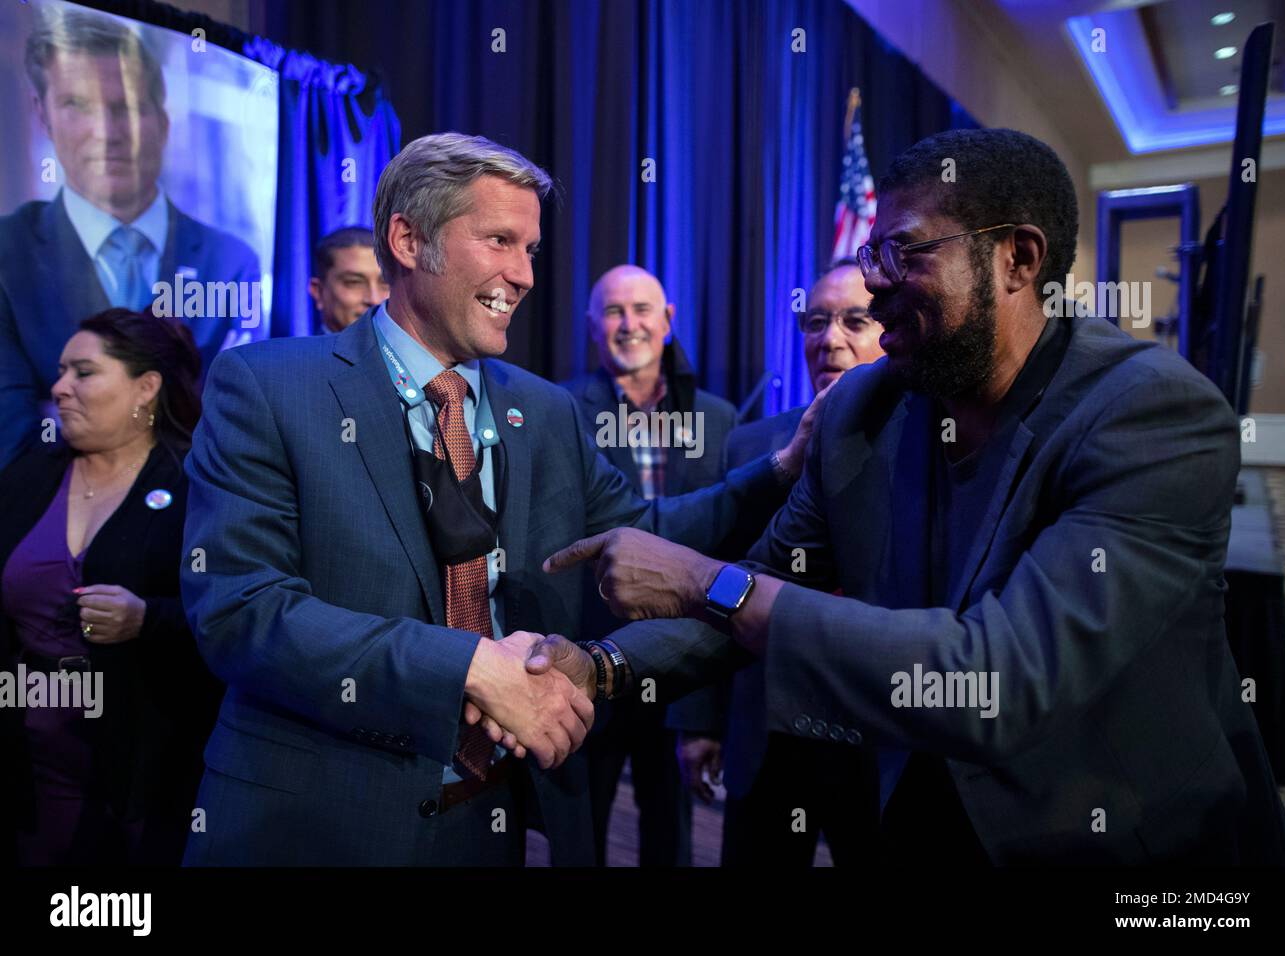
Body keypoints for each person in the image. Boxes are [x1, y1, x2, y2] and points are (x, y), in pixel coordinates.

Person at [541, 128, 1285, 865]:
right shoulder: (865, 410)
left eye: (904, 251)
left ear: (1017, 259)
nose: (874, 280)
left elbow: (996, 678)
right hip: (922, 826)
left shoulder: (1152, 412)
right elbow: (768, 580)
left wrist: (705, 579)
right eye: (874, 253)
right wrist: (594, 665)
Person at [179, 132, 813, 866]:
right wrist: (470, 667)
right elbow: (241, 610)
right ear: (409, 241)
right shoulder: (267, 386)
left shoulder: (544, 412)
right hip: (314, 829)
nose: (524, 274)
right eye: (500, 241)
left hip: (493, 828)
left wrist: (779, 469)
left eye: (531, 250)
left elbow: (644, 536)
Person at [677, 258, 885, 866]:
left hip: (881, 733)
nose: (830, 339)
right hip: (767, 733)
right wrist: (700, 721)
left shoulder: (934, 438)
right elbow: (715, 583)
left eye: (855, 320)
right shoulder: (750, 445)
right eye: (816, 322)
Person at [0, 308, 222, 866]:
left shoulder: (198, 486)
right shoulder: (29, 475)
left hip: (145, 765)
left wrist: (147, 618)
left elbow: (233, 614)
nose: (59, 388)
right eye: (60, 372)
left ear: (146, 388)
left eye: (83, 372)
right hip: (30, 763)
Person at [0, 5, 260, 471]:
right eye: (78, 105)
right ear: (43, 116)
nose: (108, 133)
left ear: (162, 121)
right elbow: (10, 436)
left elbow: (230, 426)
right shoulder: (7, 252)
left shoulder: (230, 262)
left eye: (127, 107)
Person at [564, 264, 736, 866]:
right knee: (580, 836)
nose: (628, 324)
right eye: (613, 311)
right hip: (586, 662)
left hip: (684, 668)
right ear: (592, 326)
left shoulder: (720, 420)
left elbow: (731, 545)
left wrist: (709, 711)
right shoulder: (558, 412)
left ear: (667, 323)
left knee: (674, 841)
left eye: (642, 310)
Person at [309, 227, 389, 333]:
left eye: (386, 283)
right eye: (354, 282)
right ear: (318, 292)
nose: (374, 299)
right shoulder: (296, 349)